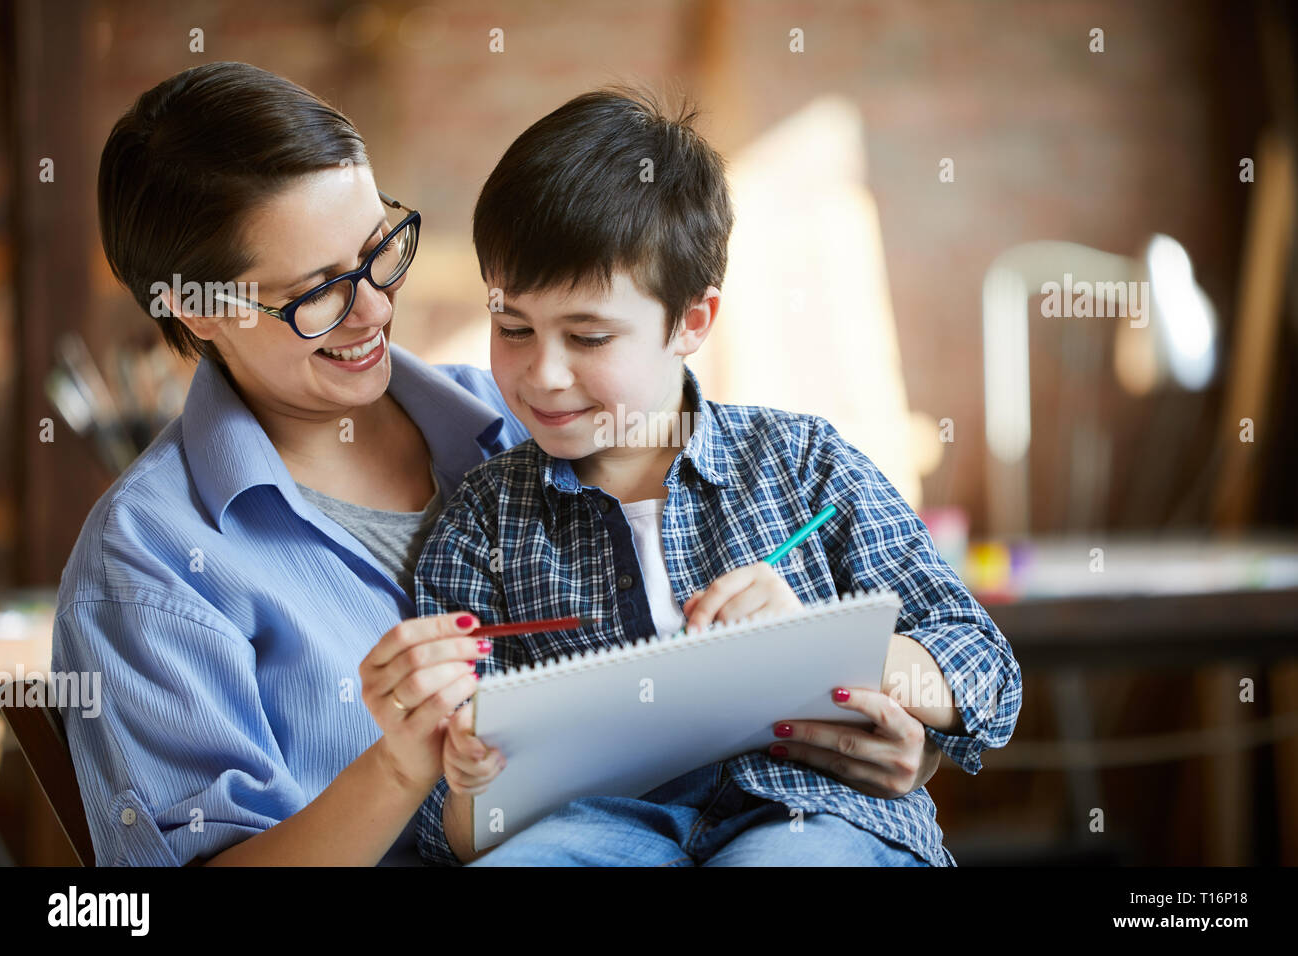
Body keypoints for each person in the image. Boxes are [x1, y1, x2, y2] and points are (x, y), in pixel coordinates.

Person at [411, 88, 1023, 866]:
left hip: (807, 816)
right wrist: (468, 779)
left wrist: (818, 647)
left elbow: (983, 664)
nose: (544, 373)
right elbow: (450, 819)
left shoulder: (803, 464)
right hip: (594, 832)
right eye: (512, 328)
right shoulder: (485, 522)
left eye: (589, 336)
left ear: (691, 322)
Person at [50, 61, 523, 866]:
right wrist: (400, 766)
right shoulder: (148, 564)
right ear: (201, 310)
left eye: (380, 250)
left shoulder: (508, 420)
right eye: (321, 292)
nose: (374, 309)